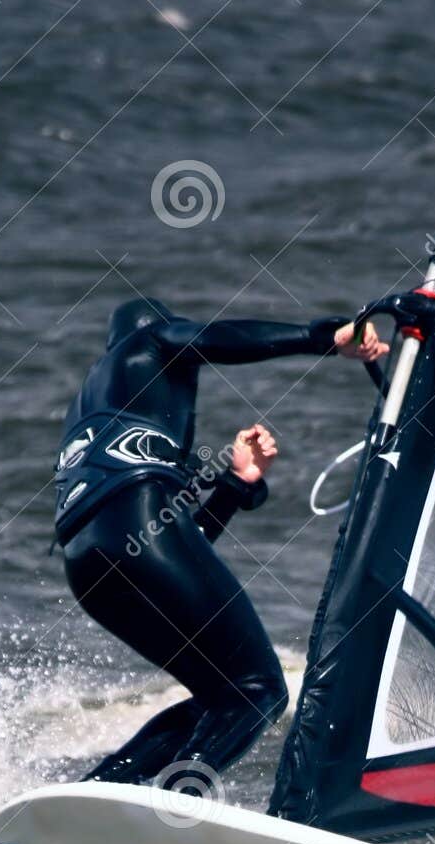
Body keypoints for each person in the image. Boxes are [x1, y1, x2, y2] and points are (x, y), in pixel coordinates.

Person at [53, 297, 387, 791]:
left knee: (222, 697)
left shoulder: (95, 421)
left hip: (85, 561)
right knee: (260, 690)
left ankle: (94, 798)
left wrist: (234, 483)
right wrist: (320, 338)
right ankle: (179, 801)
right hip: (137, 521)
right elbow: (210, 338)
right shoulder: (144, 344)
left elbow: (177, 550)